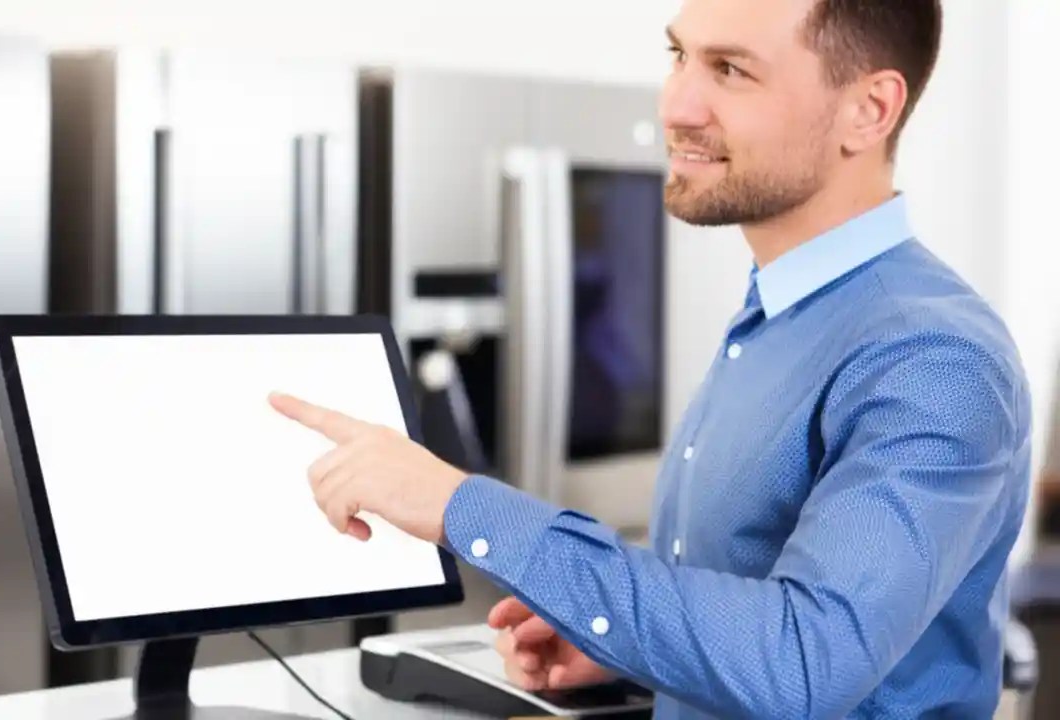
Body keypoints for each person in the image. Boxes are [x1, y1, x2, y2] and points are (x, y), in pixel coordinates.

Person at [269, 0, 1033, 716]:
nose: (676, 105)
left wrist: (459, 503)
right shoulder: (780, 315)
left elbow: (802, 662)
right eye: (680, 57)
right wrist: (625, 646)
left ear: (868, 111)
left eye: (730, 70)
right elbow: (746, 600)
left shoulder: (934, 360)